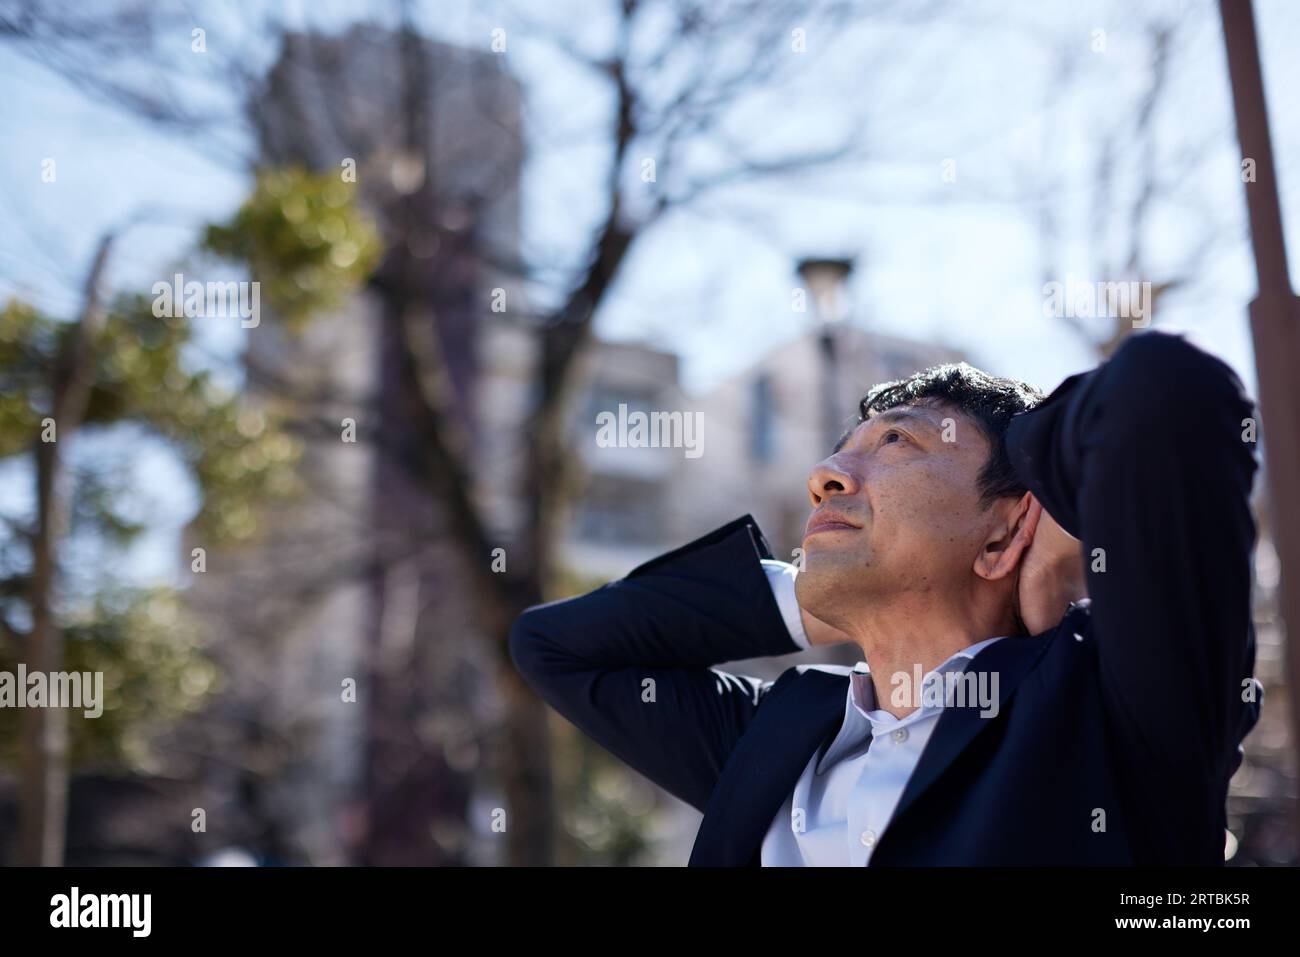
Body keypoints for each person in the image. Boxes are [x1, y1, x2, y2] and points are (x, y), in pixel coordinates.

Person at [510, 331, 1262, 865]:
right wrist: (809, 595)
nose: (827, 474)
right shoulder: (780, 739)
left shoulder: (1110, 706)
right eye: (842, 448)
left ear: (1004, 531)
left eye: (897, 442)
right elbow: (556, 647)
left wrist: (1060, 531)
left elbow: (1170, 392)